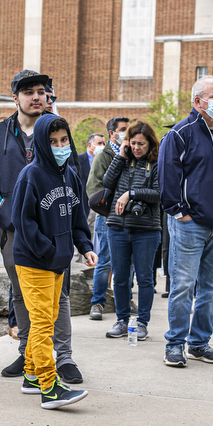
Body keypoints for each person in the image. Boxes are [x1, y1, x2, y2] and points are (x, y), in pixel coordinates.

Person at [0, 70, 84, 384]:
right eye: (28, 92)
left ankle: (63, 357)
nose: (36, 96)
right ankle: (28, 352)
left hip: (54, 229)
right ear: (15, 98)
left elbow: (74, 175)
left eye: (41, 91)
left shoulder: (58, 131)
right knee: (20, 293)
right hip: (15, 230)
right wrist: (1, 206)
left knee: (60, 295)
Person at [10, 115, 96, 408]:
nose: (60, 146)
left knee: (42, 321)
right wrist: (48, 250)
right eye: (52, 141)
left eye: (63, 140)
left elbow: (77, 217)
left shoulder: (70, 174)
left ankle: (32, 375)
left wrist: (84, 247)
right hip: (35, 261)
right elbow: (23, 222)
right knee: (44, 323)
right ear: (42, 144)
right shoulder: (31, 175)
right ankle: (50, 387)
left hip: (59, 262)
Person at [159, 75, 213, 367]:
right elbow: (167, 176)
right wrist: (179, 211)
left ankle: (199, 343)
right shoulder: (180, 134)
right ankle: (175, 344)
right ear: (198, 102)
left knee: (211, 287)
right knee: (183, 285)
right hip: (189, 225)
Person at [102, 121, 161, 338]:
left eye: (141, 144)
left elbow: (159, 194)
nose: (137, 148)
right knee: (120, 277)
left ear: (150, 144)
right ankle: (121, 321)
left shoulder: (156, 163)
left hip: (146, 229)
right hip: (117, 227)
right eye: (133, 143)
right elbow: (107, 182)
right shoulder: (123, 160)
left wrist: (132, 194)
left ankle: (142, 323)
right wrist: (121, 156)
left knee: (145, 278)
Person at [86, 117, 130, 320]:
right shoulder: (104, 155)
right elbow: (93, 188)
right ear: (112, 133)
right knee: (105, 259)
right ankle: (97, 303)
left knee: (128, 262)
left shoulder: (133, 152)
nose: (126, 133)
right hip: (108, 216)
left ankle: (126, 300)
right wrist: (110, 210)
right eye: (122, 130)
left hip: (130, 216)